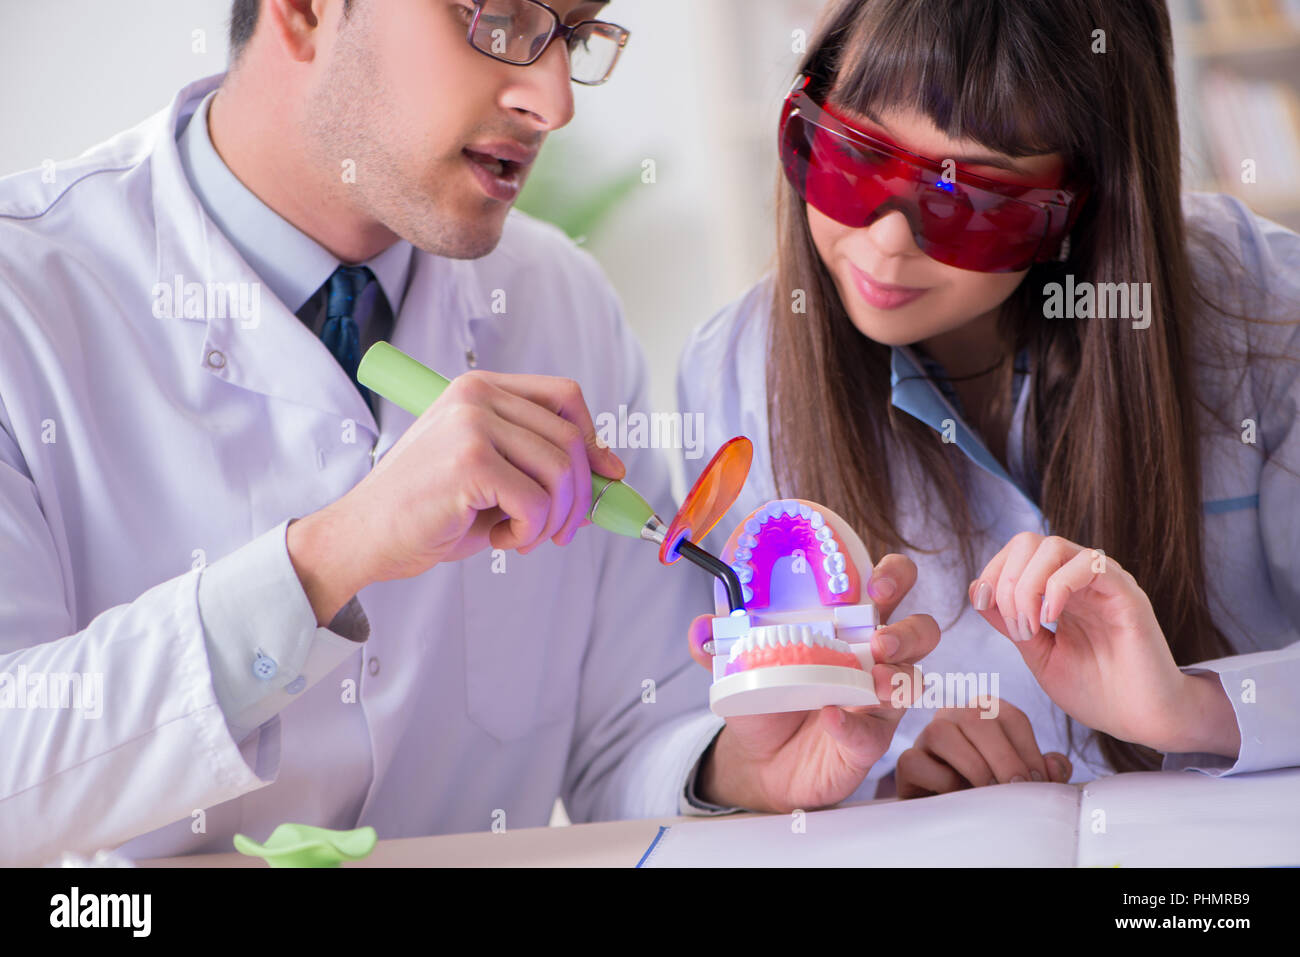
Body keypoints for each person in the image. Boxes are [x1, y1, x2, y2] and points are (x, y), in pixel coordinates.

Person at [0, 0, 938, 864]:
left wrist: (741, 771)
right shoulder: (26, 299)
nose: (555, 100)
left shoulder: (555, 299)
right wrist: (330, 555)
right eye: (499, 19)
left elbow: (627, 734)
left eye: (572, 36)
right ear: (304, 11)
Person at [679, 0, 1300, 809]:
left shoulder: (1257, 304)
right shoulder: (733, 374)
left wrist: (1196, 709)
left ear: (1083, 204)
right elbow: (681, 754)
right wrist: (886, 785)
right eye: (853, 162)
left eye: (965, 205)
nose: (889, 241)